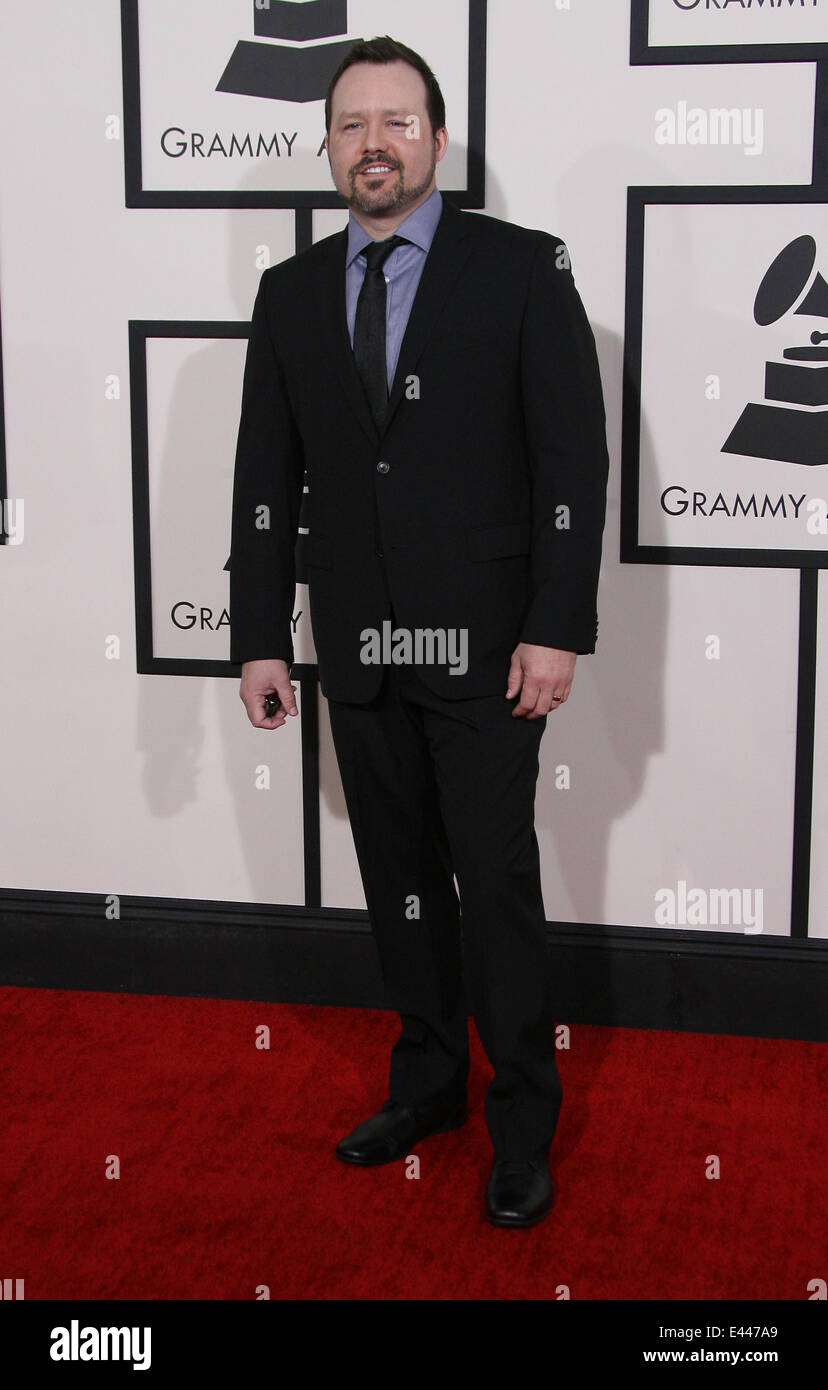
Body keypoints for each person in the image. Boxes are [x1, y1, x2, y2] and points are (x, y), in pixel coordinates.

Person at [229, 35, 609, 1227]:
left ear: (438, 141)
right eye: (352, 124)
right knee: (398, 877)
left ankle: (522, 1126)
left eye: (397, 121)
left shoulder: (519, 267)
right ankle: (430, 1085)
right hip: (359, 647)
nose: (374, 142)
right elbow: (262, 477)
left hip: (489, 647)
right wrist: (258, 632)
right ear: (330, 145)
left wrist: (556, 626)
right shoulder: (290, 292)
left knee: (492, 880)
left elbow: (572, 457)